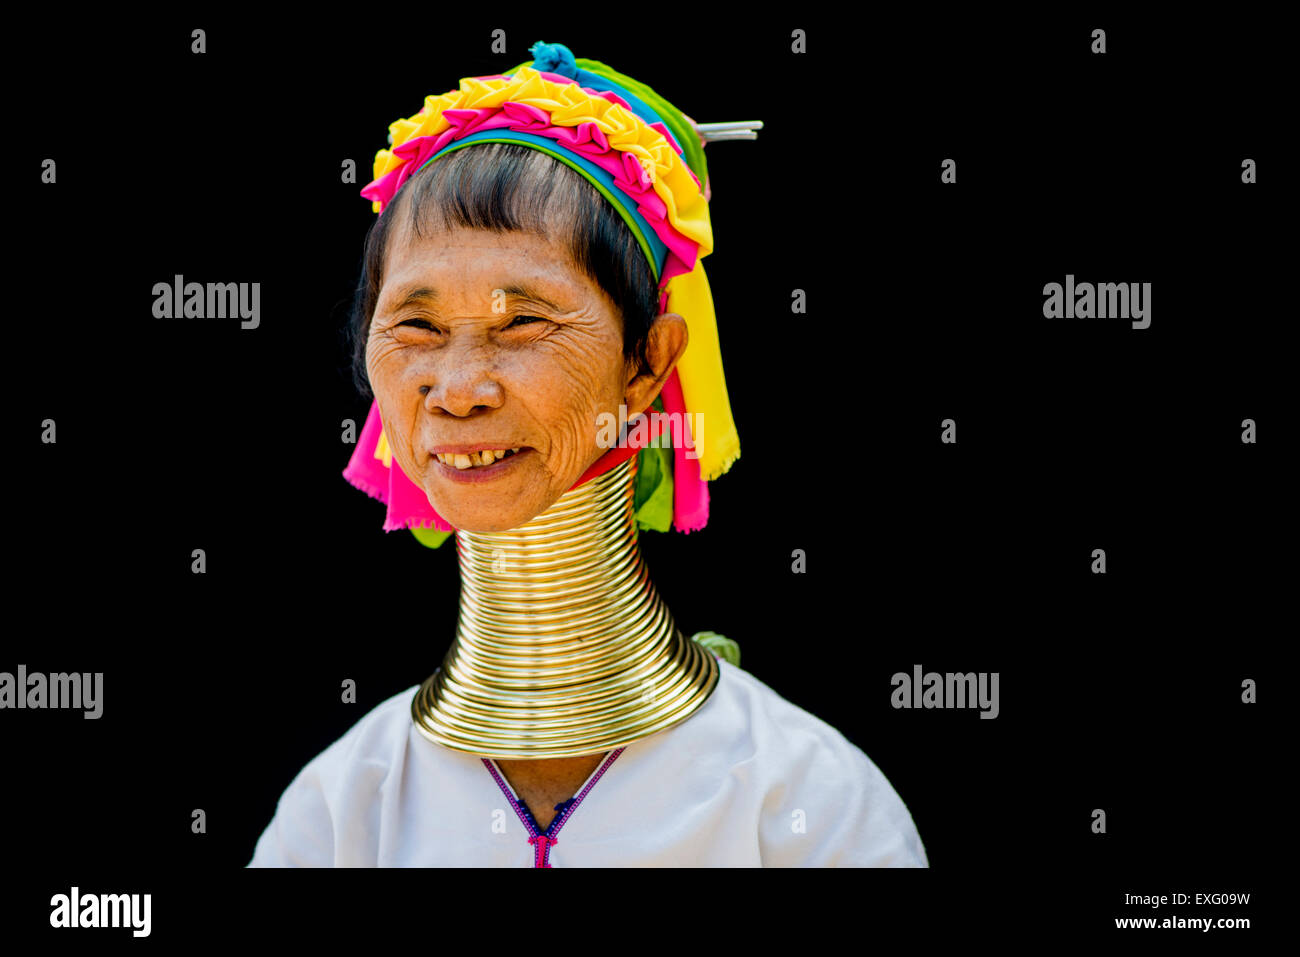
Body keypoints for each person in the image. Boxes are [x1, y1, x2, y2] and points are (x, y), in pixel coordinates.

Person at [248, 41, 927, 867]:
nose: (457, 388)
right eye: (417, 327)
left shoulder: (806, 808)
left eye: (524, 323)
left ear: (648, 364)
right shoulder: (341, 816)